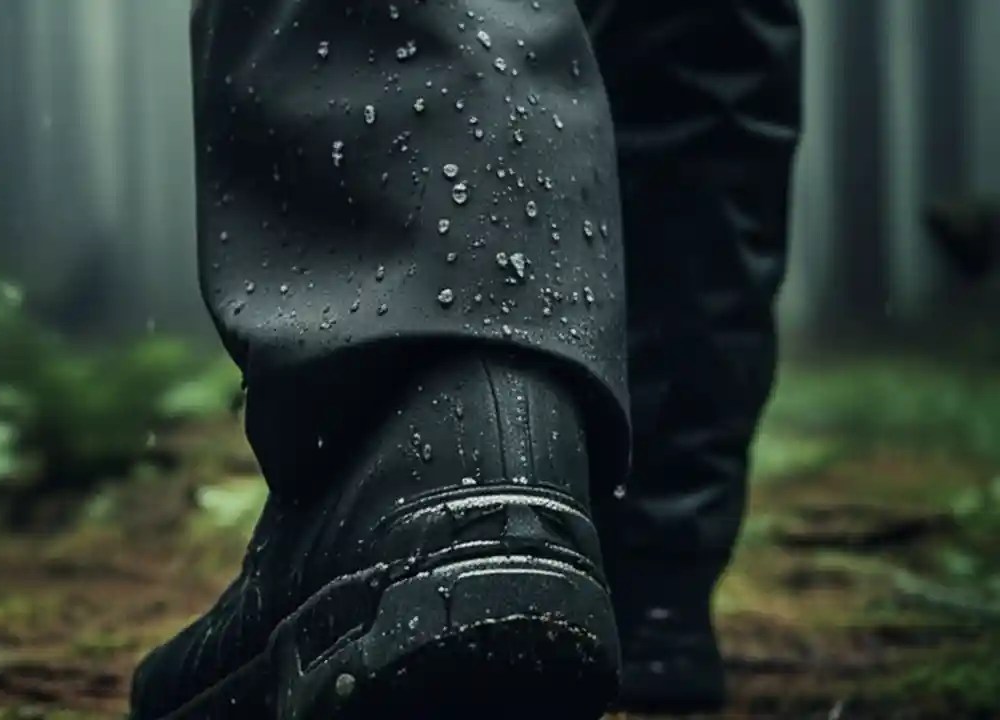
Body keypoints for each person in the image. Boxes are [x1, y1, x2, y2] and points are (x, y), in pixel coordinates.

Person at [131, 1, 802, 717]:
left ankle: (421, 456)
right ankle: (644, 569)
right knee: (692, 26)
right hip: (659, 517)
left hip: (396, 488)